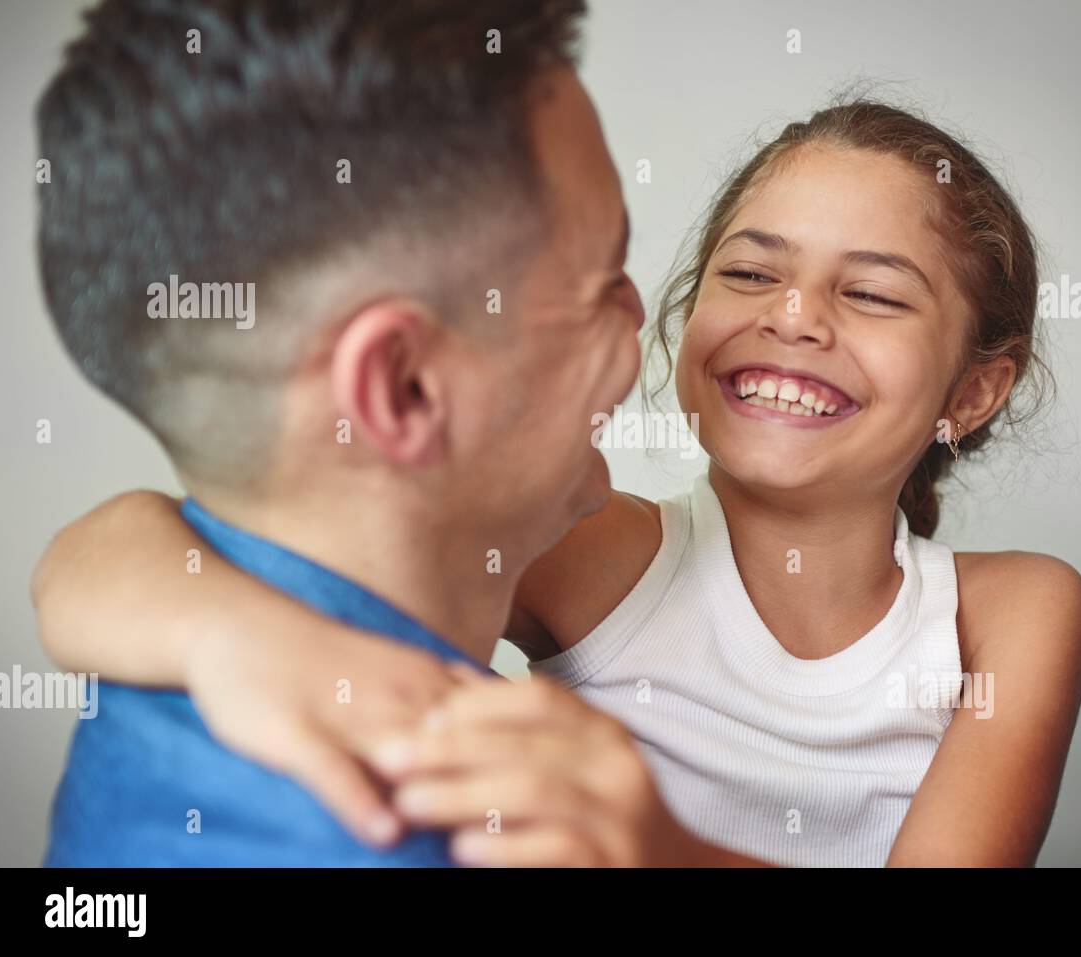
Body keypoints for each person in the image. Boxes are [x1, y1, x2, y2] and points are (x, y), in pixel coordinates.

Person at [35, 18, 1081, 866]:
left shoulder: (1011, 612)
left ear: (973, 390)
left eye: (868, 292)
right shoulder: (583, 553)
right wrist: (239, 639)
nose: (794, 315)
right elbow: (157, 547)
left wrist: (654, 847)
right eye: (746, 273)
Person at [33, 0, 687, 865]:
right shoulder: (438, 837)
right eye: (605, 280)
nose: (641, 317)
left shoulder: (165, 640)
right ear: (405, 388)